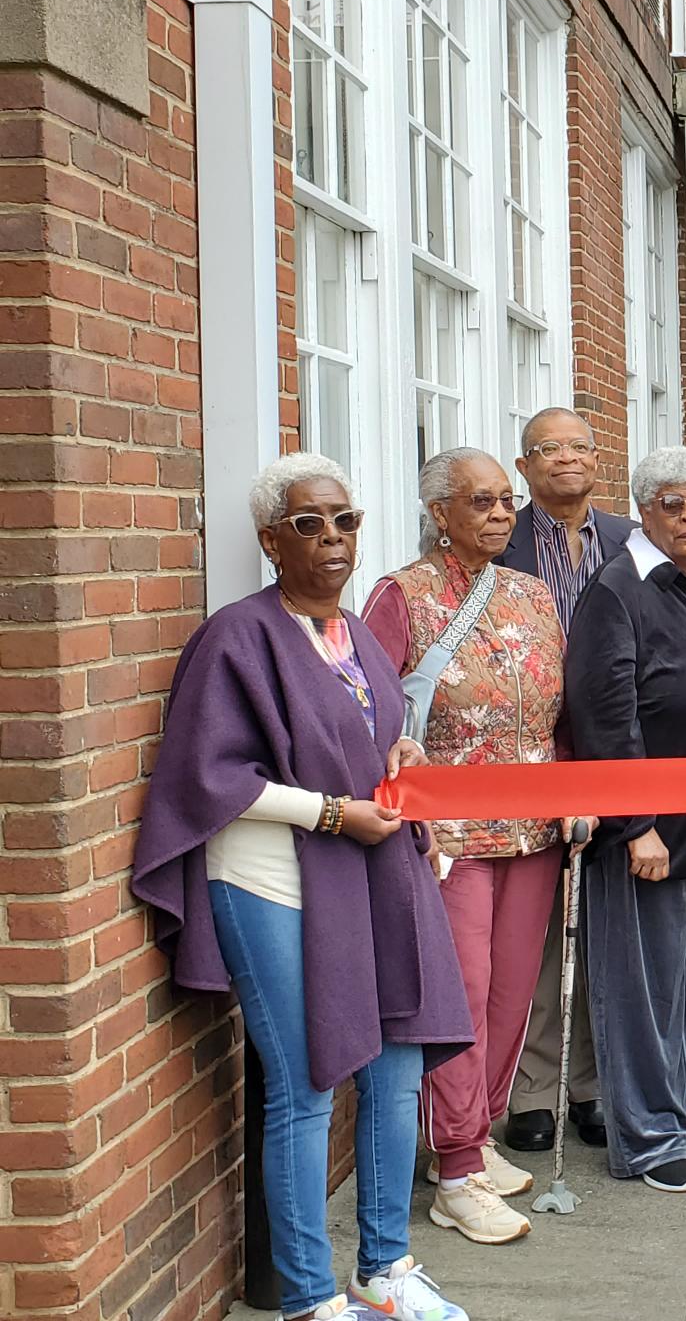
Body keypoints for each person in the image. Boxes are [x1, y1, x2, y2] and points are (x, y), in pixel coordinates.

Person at [133, 454, 472, 1321]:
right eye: (309, 523)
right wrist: (331, 814)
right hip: (272, 880)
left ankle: (386, 1271)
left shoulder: (354, 633)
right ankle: (312, 1300)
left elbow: (368, 731)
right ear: (270, 539)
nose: (332, 539)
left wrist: (399, 754)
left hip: (369, 875)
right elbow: (213, 779)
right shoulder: (237, 636)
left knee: (397, 1063)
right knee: (306, 1084)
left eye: (345, 520)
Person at [362, 447, 569, 1247]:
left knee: (514, 991)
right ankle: (454, 1169)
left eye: (505, 501)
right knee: (463, 992)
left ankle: (474, 1136)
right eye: (479, 501)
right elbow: (371, 708)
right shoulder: (401, 596)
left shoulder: (534, 592)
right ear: (439, 512)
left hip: (536, 827)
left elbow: (559, 707)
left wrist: (576, 796)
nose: (498, 513)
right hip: (449, 835)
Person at [564, 445, 686, 1196]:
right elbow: (603, 714)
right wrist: (636, 820)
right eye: (672, 504)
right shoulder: (618, 587)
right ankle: (647, 1134)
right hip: (653, 828)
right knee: (645, 987)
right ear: (643, 510)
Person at [499, 407, 635, 1158]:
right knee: (537, 931)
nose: (565, 460)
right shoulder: (497, 538)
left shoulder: (629, 539)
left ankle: (589, 1087)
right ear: (524, 468)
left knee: (605, 925)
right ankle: (529, 1092)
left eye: (578, 447)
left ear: (597, 460)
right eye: (547, 449)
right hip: (526, 755)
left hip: (614, 752)